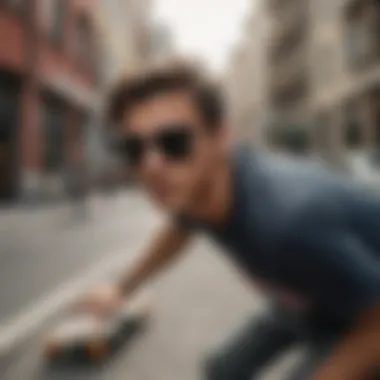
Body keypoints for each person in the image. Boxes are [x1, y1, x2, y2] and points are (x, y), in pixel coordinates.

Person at [82, 61, 380, 379]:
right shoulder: (199, 188)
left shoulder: (287, 221)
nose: (152, 165)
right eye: (134, 149)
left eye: (174, 142)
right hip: (305, 299)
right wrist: (121, 289)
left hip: (360, 315)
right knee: (221, 369)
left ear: (222, 136)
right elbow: (178, 229)